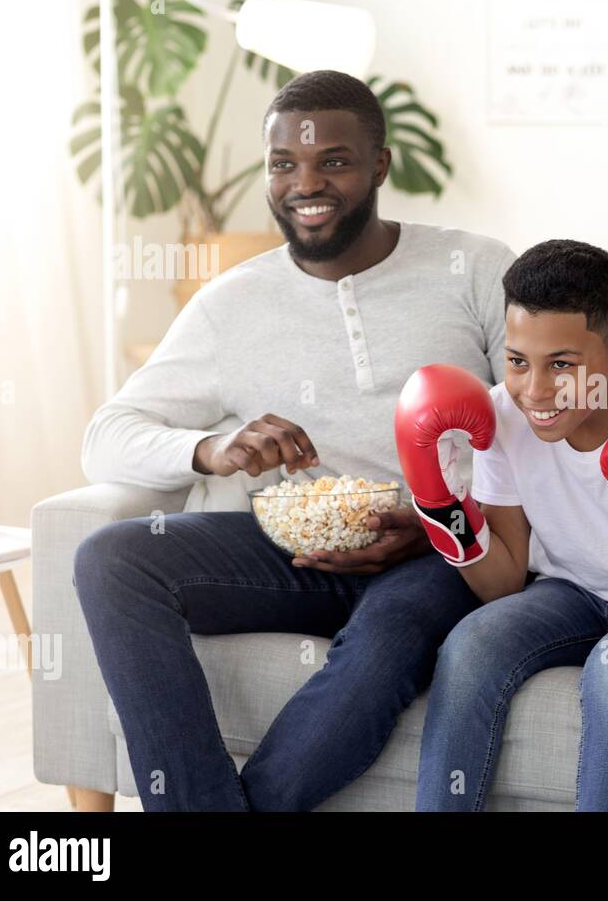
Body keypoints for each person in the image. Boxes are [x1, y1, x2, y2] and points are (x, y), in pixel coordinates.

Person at [73, 70, 514, 811]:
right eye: (284, 164)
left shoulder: (473, 269)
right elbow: (105, 436)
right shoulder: (229, 306)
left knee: (388, 638)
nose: (304, 183)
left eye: (332, 161)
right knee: (112, 559)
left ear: (378, 165)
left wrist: (444, 520)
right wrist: (212, 448)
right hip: (294, 550)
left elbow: (542, 425)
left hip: (439, 549)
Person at [399, 240, 608, 811]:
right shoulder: (503, 411)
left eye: (561, 364)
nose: (535, 391)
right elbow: (502, 582)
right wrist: (442, 509)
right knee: (471, 644)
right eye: (517, 361)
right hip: (569, 591)